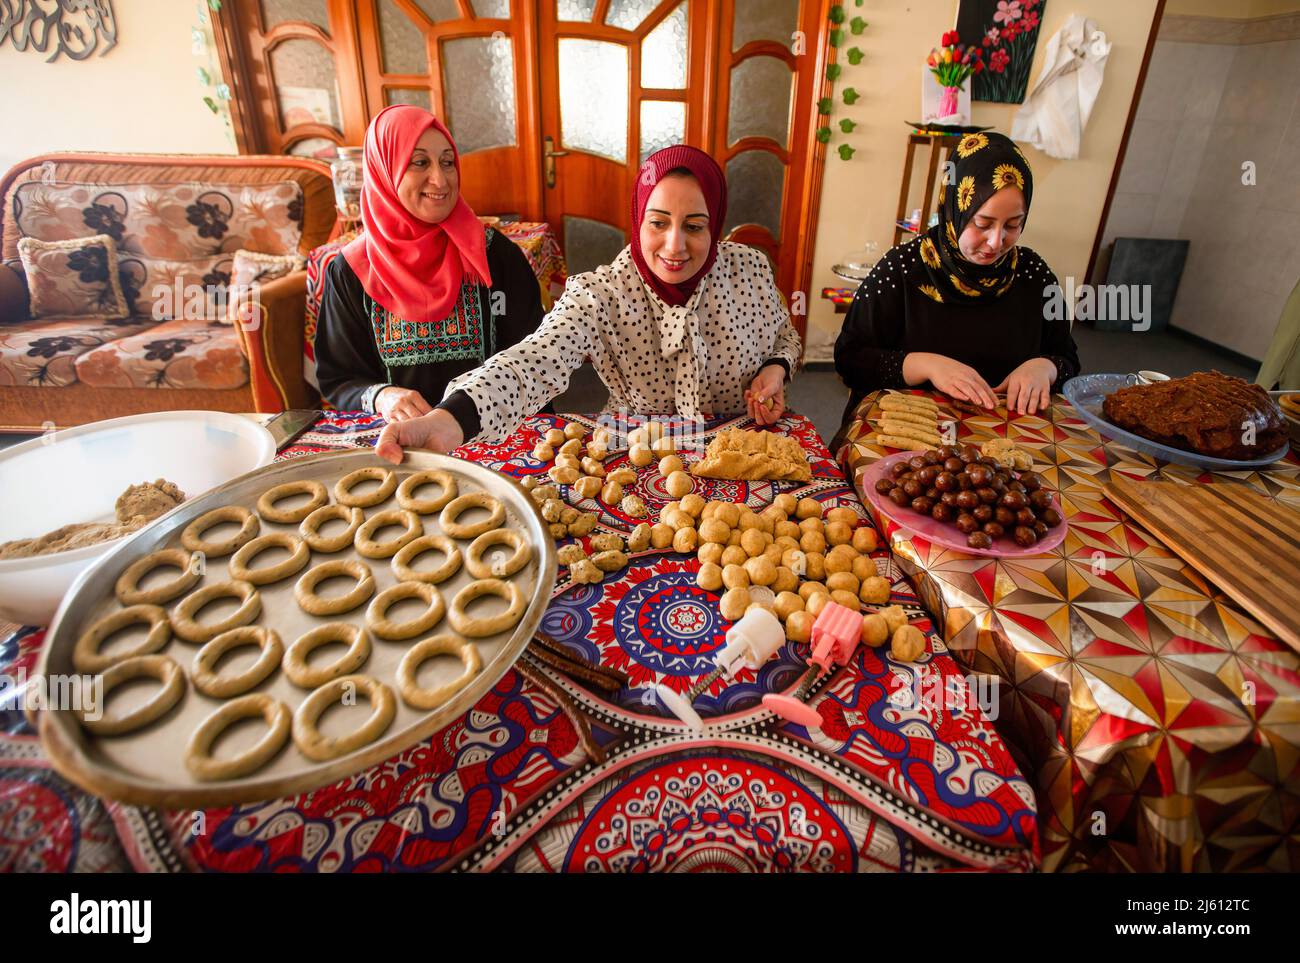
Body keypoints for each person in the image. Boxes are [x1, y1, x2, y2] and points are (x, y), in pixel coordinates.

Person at [314, 105, 544, 422]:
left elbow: (535, 358)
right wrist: (382, 396)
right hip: (400, 448)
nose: (440, 179)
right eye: (420, 162)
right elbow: (339, 378)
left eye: (447, 162)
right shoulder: (350, 272)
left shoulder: (494, 255)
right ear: (384, 170)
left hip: (495, 440)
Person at [833, 131, 1079, 423]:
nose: (995, 242)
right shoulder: (902, 269)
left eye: (1013, 225)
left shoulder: (1033, 275)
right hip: (912, 431)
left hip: (1004, 433)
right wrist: (926, 365)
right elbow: (851, 359)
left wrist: (1044, 367)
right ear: (955, 209)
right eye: (983, 223)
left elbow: (1068, 361)